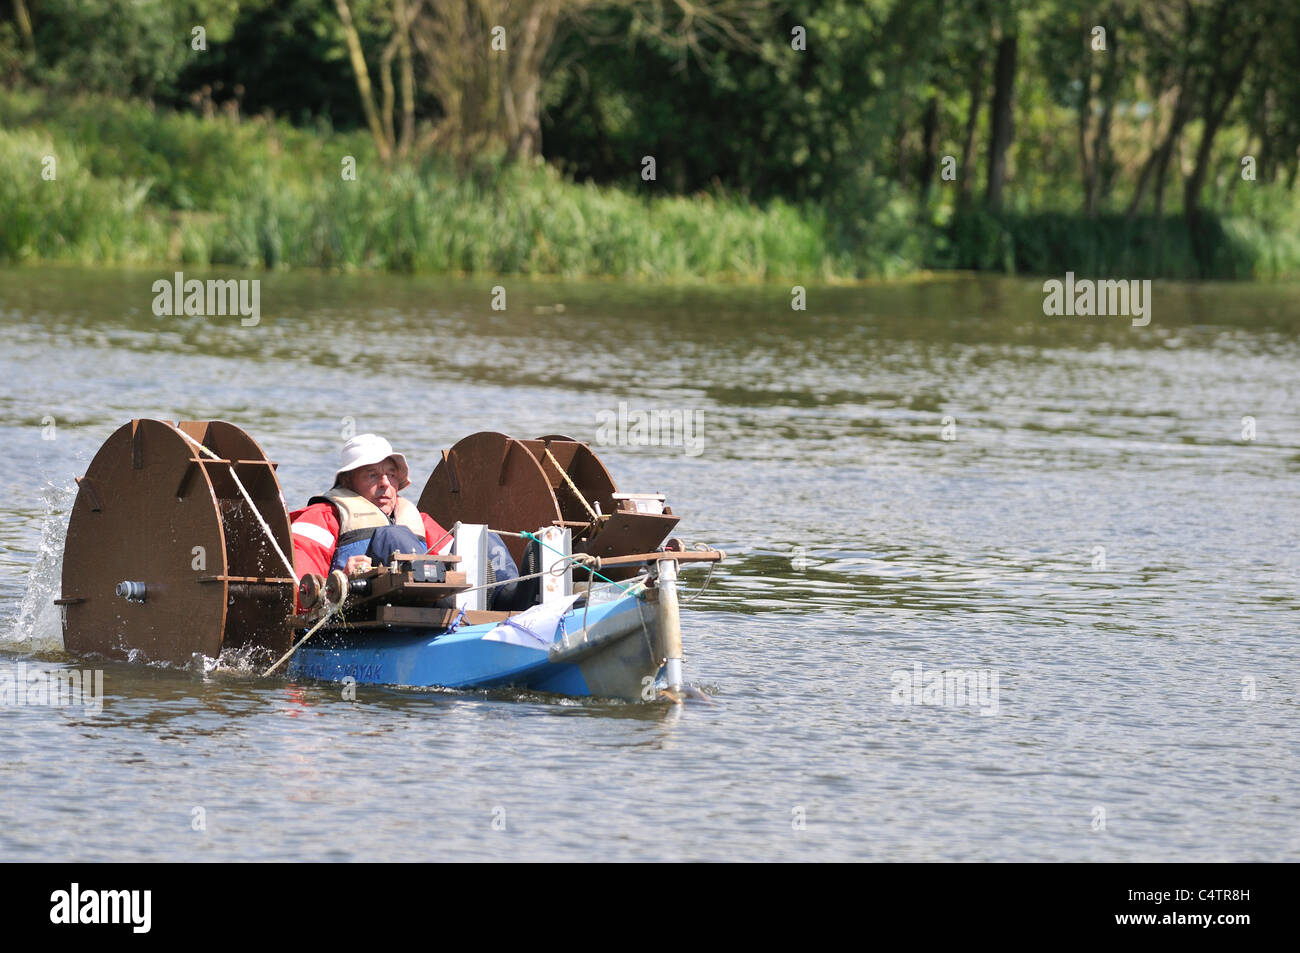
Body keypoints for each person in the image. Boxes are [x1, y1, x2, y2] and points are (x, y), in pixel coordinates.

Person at [289, 433, 453, 580]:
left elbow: (465, 573)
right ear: (347, 482)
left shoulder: (421, 523)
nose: (385, 483)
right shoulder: (322, 518)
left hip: (422, 607)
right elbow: (299, 591)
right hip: (352, 609)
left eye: (391, 475)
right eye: (372, 475)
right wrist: (341, 578)